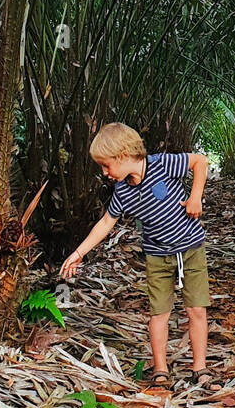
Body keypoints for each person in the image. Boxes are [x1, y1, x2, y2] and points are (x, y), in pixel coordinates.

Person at [60, 122, 214, 389]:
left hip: (190, 248)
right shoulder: (122, 191)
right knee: (159, 313)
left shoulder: (162, 164)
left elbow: (200, 161)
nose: (105, 173)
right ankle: (161, 370)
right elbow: (106, 222)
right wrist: (78, 253)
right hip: (157, 256)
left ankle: (199, 367)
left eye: (106, 166)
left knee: (196, 309)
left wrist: (195, 197)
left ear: (122, 156)